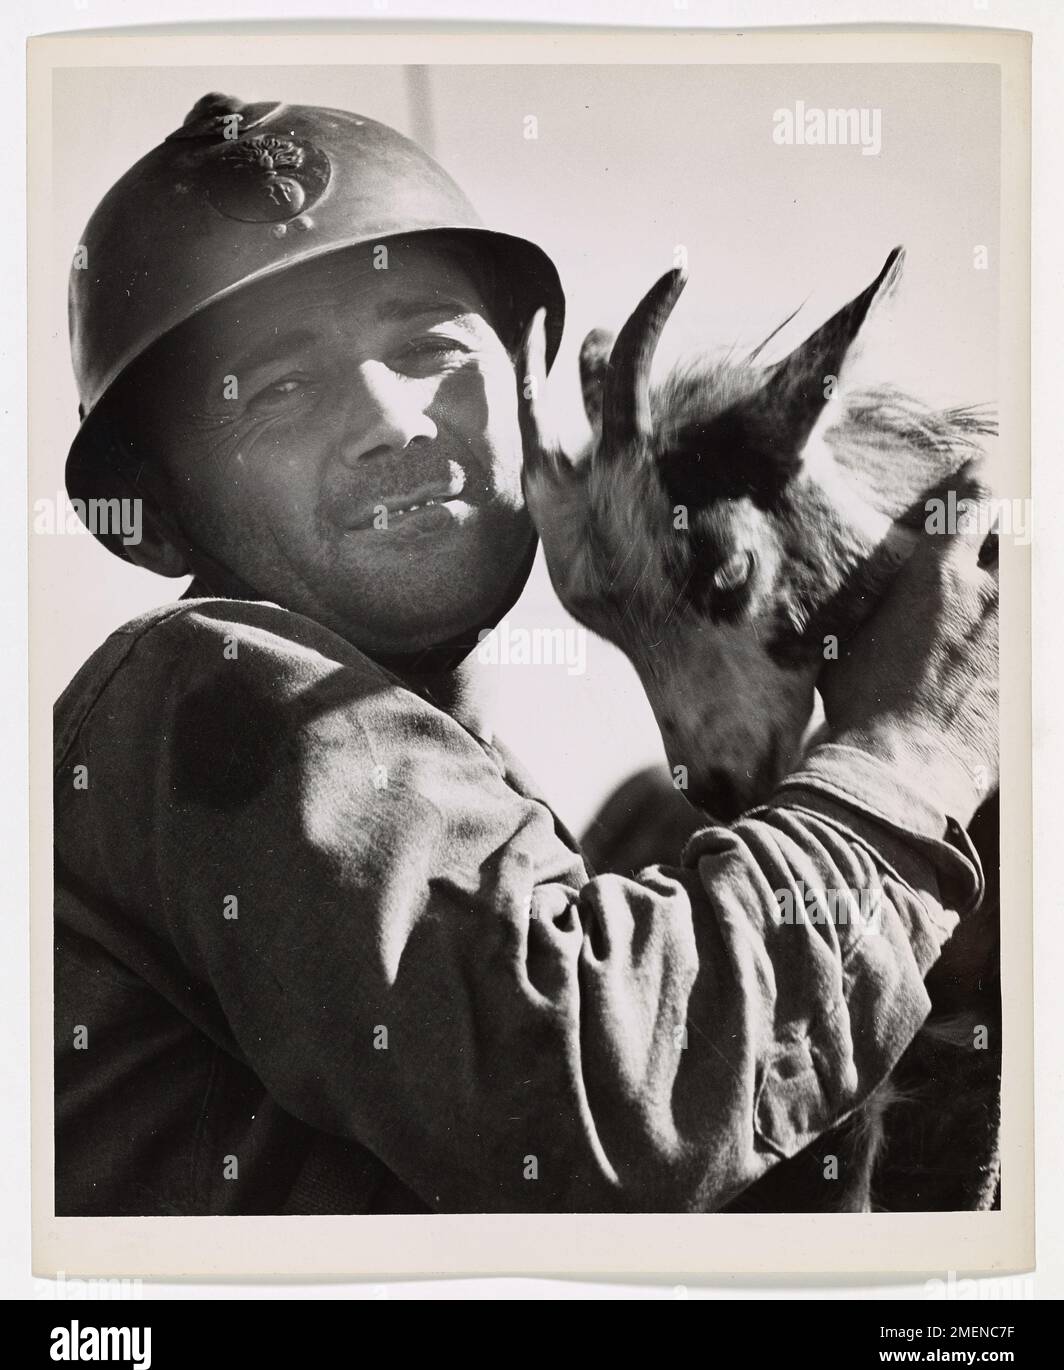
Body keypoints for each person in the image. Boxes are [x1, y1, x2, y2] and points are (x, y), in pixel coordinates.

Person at [54, 93, 998, 1215]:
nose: (393, 418)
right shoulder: (195, 687)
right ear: (159, 510)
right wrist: (904, 758)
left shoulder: (501, 834)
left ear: (523, 377)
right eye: (279, 389)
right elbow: (594, 1093)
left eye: (427, 347)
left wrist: (957, 988)